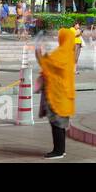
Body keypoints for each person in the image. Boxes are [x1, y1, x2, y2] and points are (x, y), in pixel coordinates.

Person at [36, 27, 76, 159]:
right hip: (65, 96)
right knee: (60, 125)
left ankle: (58, 151)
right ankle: (60, 149)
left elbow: (46, 63)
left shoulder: (62, 53)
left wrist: (38, 52)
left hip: (57, 96)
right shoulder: (69, 53)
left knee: (57, 124)